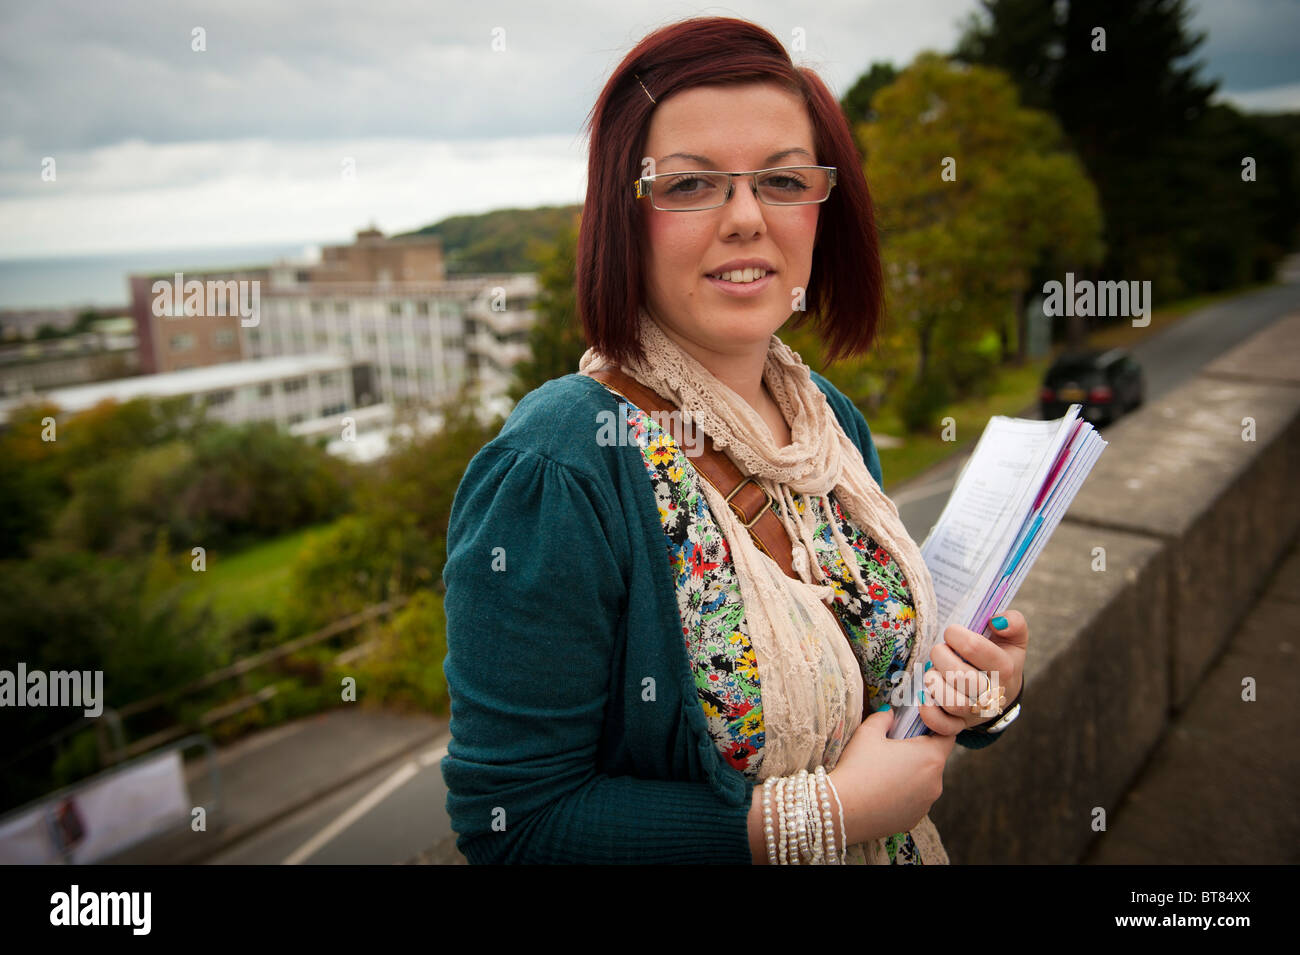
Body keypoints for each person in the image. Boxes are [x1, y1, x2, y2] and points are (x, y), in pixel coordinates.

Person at [440, 15, 1029, 865]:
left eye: (784, 181)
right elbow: (514, 827)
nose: (748, 218)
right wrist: (815, 820)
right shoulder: (557, 468)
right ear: (625, 214)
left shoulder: (827, 423)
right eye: (689, 186)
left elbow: (880, 702)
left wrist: (984, 692)